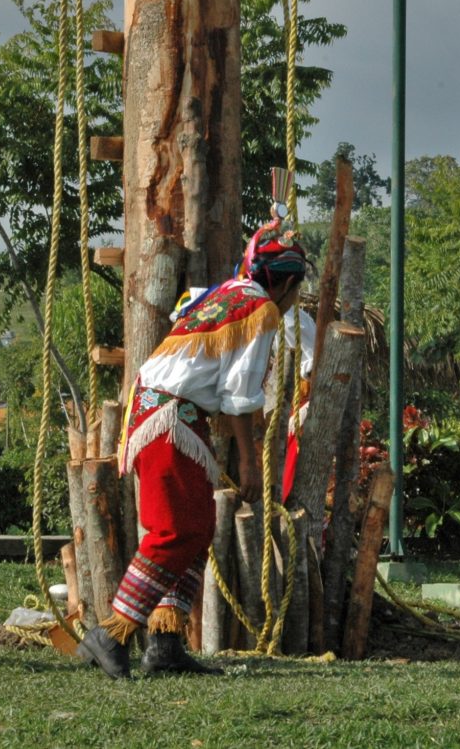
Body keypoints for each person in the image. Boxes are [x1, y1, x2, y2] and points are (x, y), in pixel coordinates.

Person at [76, 219, 309, 679]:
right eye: (295, 290)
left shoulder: (226, 293)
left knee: (196, 528)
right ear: (284, 282)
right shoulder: (258, 308)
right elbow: (241, 395)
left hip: (171, 415)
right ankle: (111, 634)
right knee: (174, 531)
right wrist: (247, 458)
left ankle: (165, 643)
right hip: (169, 418)